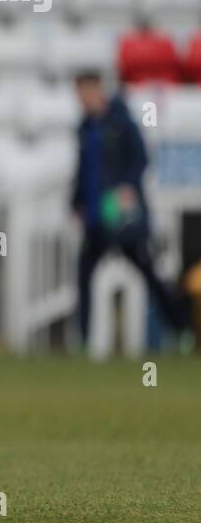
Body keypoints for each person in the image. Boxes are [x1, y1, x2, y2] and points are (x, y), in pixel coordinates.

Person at [71, 70, 185, 345]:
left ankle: (180, 329)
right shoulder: (85, 128)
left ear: (97, 90)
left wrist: (126, 187)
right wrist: (76, 203)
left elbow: (141, 159)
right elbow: (83, 172)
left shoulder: (122, 123)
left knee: (148, 271)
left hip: (124, 216)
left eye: (86, 92)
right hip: (96, 218)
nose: (82, 99)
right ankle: (85, 341)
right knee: (84, 275)